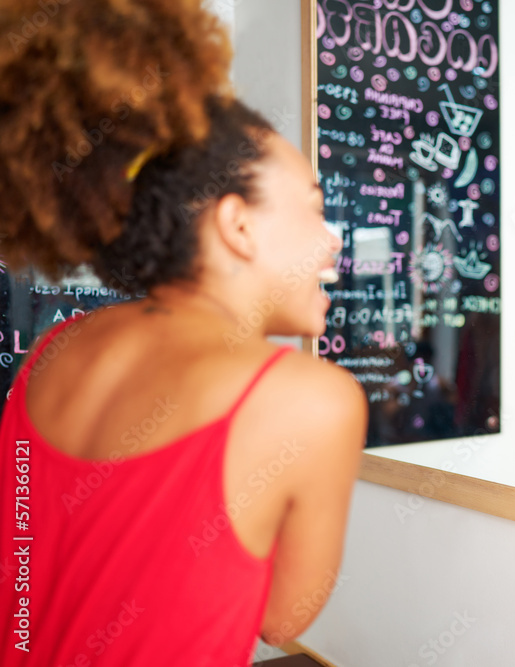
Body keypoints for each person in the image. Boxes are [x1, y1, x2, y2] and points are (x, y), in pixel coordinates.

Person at [0, 1, 367, 665]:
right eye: (314, 208)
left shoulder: (52, 356)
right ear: (238, 225)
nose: (331, 242)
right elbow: (283, 619)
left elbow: (25, 573)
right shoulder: (311, 398)